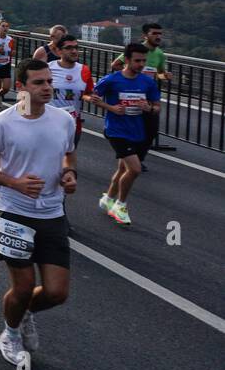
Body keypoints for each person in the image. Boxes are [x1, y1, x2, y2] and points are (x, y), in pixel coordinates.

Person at [0, 58, 77, 369]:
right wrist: (14, 182)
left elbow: (68, 154)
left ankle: (23, 311)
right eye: (39, 83)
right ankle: (10, 334)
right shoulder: (2, 123)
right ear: (22, 87)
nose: (47, 87)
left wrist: (69, 174)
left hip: (52, 212)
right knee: (22, 286)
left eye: (49, 81)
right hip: (13, 212)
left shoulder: (63, 120)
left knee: (57, 292)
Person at [89, 43, 160, 227]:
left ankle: (108, 199)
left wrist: (150, 108)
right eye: (137, 60)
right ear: (127, 60)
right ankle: (120, 205)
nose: (141, 64)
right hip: (116, 130)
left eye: (143, 61)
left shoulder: (147, 82)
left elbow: (157, 106)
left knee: (122, 169)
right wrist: (110, 107)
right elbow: (91, 97)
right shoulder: (112, 80)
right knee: (135, 169)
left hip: (137, 130)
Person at [109, 22, 174, 154]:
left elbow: (159, 74)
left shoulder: (160, 54)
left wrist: (165, 75)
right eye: (154, 33)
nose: (158, 36)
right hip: (132, 93)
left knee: (151, 129)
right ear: (145, 35)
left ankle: (138, 157)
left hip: (149, 96)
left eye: (160, 33)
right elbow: (116, 65)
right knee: (133, 128)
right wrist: (133, 75)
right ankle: (132, 157)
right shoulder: (136, 50)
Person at [48, 35, 93, 148]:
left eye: (76, 47)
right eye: (68, 48)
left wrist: (91, 98)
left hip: (72, 123)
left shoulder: (84, 70)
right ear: (58, 51)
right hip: (49, 123)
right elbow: (28, 92)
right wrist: (25, 113)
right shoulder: (47, 68)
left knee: (69, 157)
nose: (74, 51)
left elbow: (87, 93)